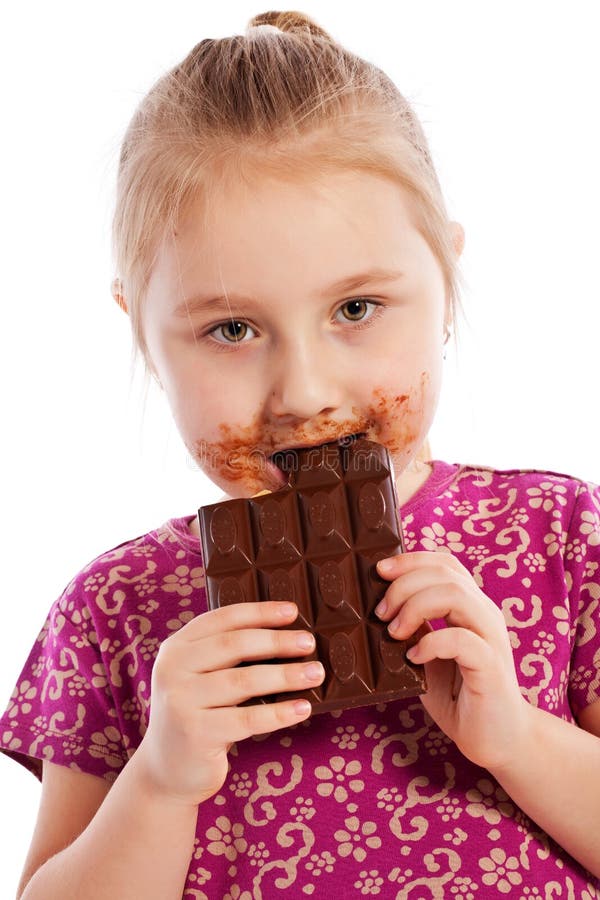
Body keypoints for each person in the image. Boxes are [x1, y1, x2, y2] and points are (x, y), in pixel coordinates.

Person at [1, 9, 599, 899]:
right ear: (143, 334)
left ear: (446, 279)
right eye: (231, 328)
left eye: (357, 309)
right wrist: (160, 782)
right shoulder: (113, 613)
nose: (306, 391)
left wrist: (518, 738)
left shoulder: (563, 542)